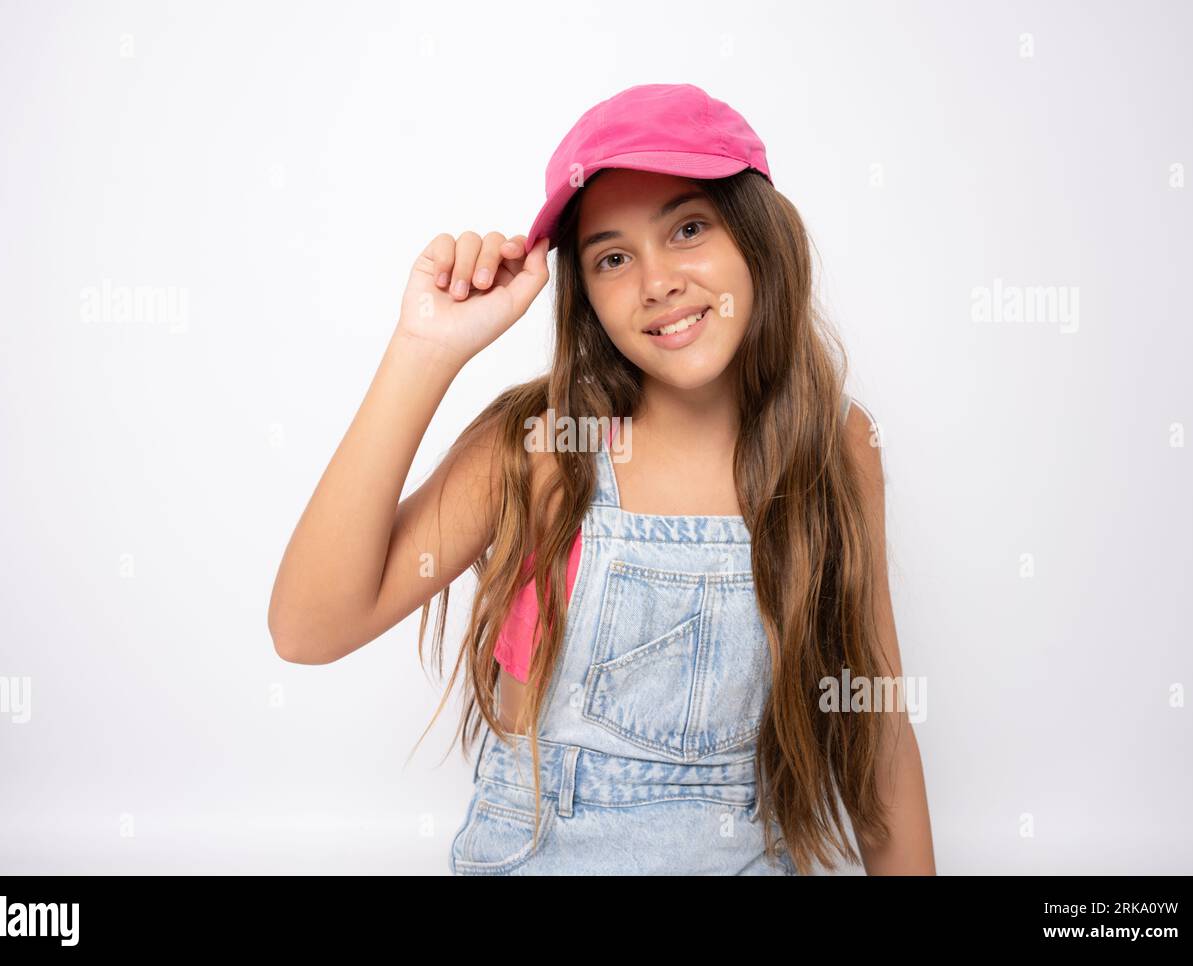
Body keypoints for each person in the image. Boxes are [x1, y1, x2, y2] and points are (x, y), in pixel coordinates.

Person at [268, 83, 936, 875]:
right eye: (613, 257)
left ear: (759, 239)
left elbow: (878, 727)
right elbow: (308, 628)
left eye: (689, 228)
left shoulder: (837, 446)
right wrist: (425, 349)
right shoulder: (544, 450)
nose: (656, 283)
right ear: (585, 294)